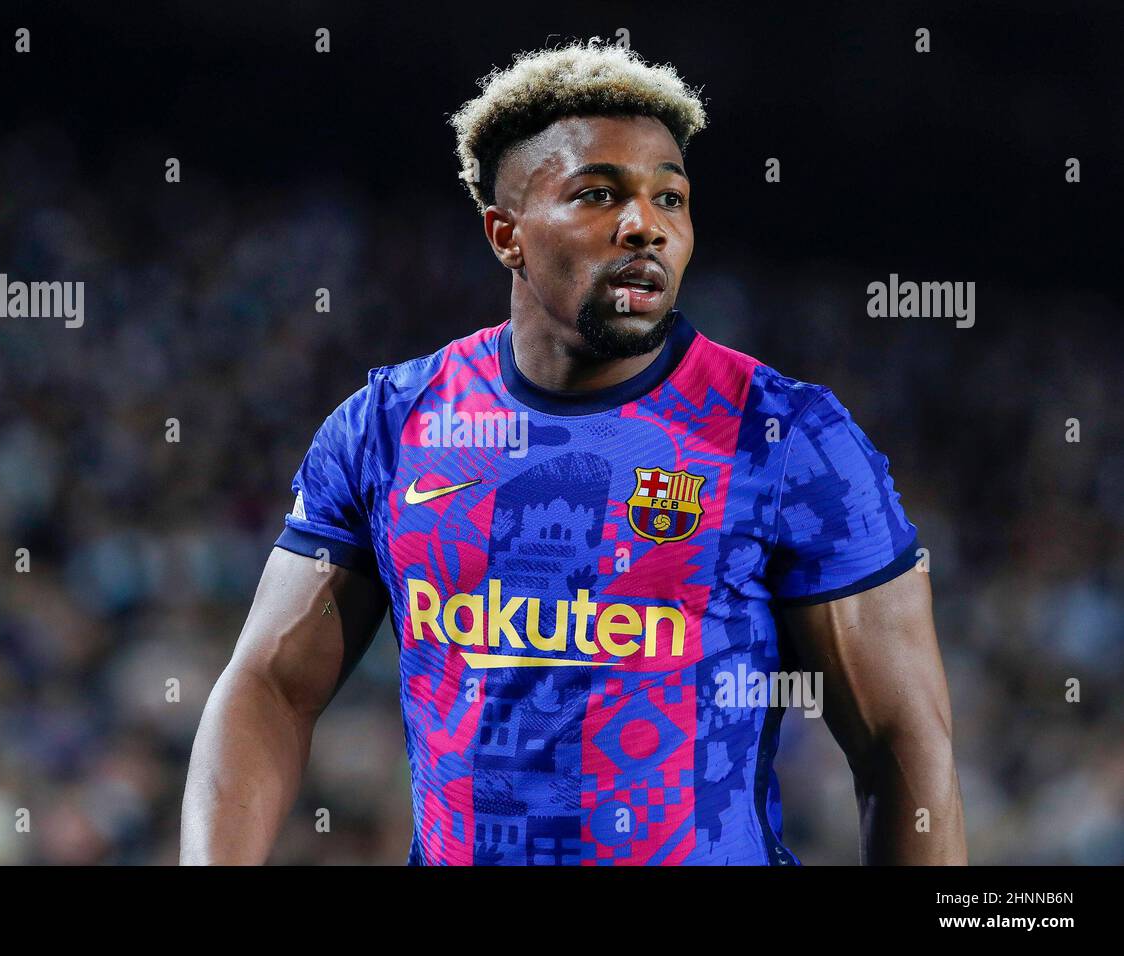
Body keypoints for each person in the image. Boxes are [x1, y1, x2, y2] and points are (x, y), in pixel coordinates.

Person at [181, 40, 966, 865]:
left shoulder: (788, 437)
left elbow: (902, 741)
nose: (645, 225)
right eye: (599, 194)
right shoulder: (389, 426)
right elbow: (270, 686)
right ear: (505, 233)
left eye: (671, 197)